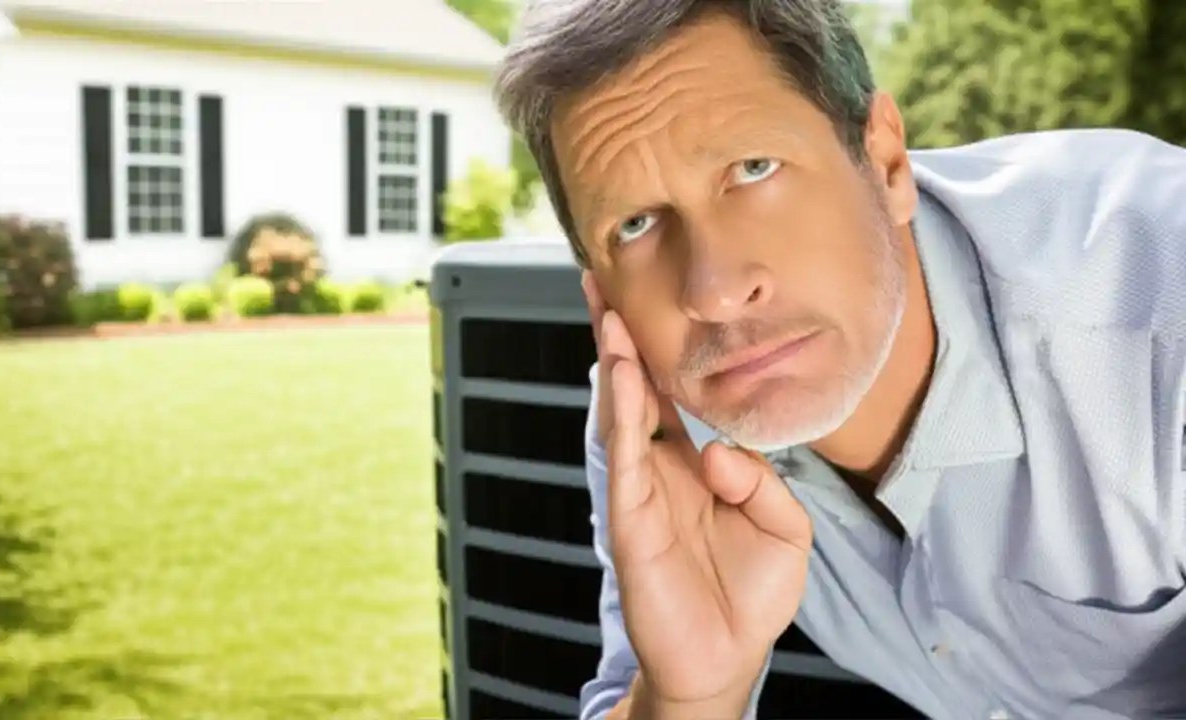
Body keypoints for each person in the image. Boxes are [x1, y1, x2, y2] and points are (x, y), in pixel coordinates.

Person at [493, 0, 1186, 718]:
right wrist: (688, 695)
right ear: (601, 292)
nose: (716, 291)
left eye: (754, 168)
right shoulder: (656, 433)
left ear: (886, 162)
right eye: (634, 225)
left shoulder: (1162, 298)